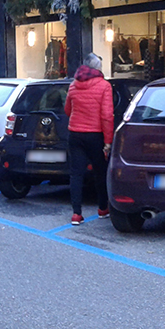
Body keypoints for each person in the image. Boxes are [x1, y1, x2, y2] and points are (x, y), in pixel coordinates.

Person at [64, 52, 113, 226]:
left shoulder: (73, 85)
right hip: (95, 134)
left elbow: (67, 110)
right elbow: (107, 116)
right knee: (100, 172)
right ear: (98, 68)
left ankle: (76, 214)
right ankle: (102, 209)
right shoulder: (104, 86)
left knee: (76, 174)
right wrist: (107, 141)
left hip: (75, 134)